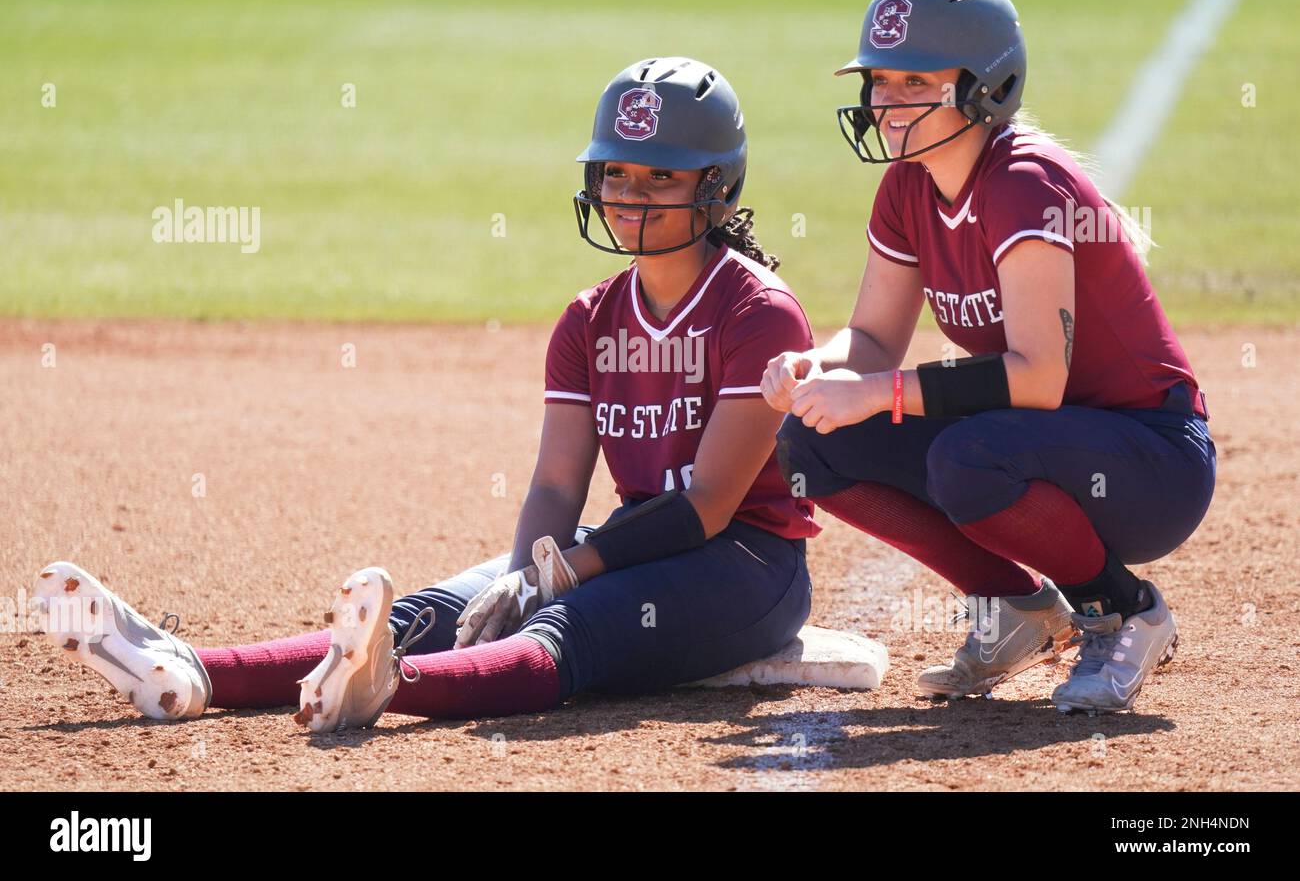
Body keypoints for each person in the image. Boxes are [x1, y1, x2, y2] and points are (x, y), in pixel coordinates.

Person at [32, 57, 821, 731]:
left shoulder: (758, 311)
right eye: (615, 169)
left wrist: (563, 573)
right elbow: (554, 484)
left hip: (746, 562)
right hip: (626, 541)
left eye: (661, 175)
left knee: (565, 622)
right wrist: (521, 574)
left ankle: (391, 687)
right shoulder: (589, 318)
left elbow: (706, 508)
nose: (629, 192)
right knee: (427, 613)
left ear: (717, 186)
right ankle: (187, 669)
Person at [763, 0, 1215, 714]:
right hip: (1039, 441)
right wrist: (819, 364)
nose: (884, 101)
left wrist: (879, 390)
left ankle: (1124, 611)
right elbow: (875, 337)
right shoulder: (909, 187)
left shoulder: (1024, 182)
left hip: (1152, 462)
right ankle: (1016, 607)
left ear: (984, 87)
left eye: (914, 80)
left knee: (966, 455)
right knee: (813, 445)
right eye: (879, 80)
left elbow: (1038, 377)